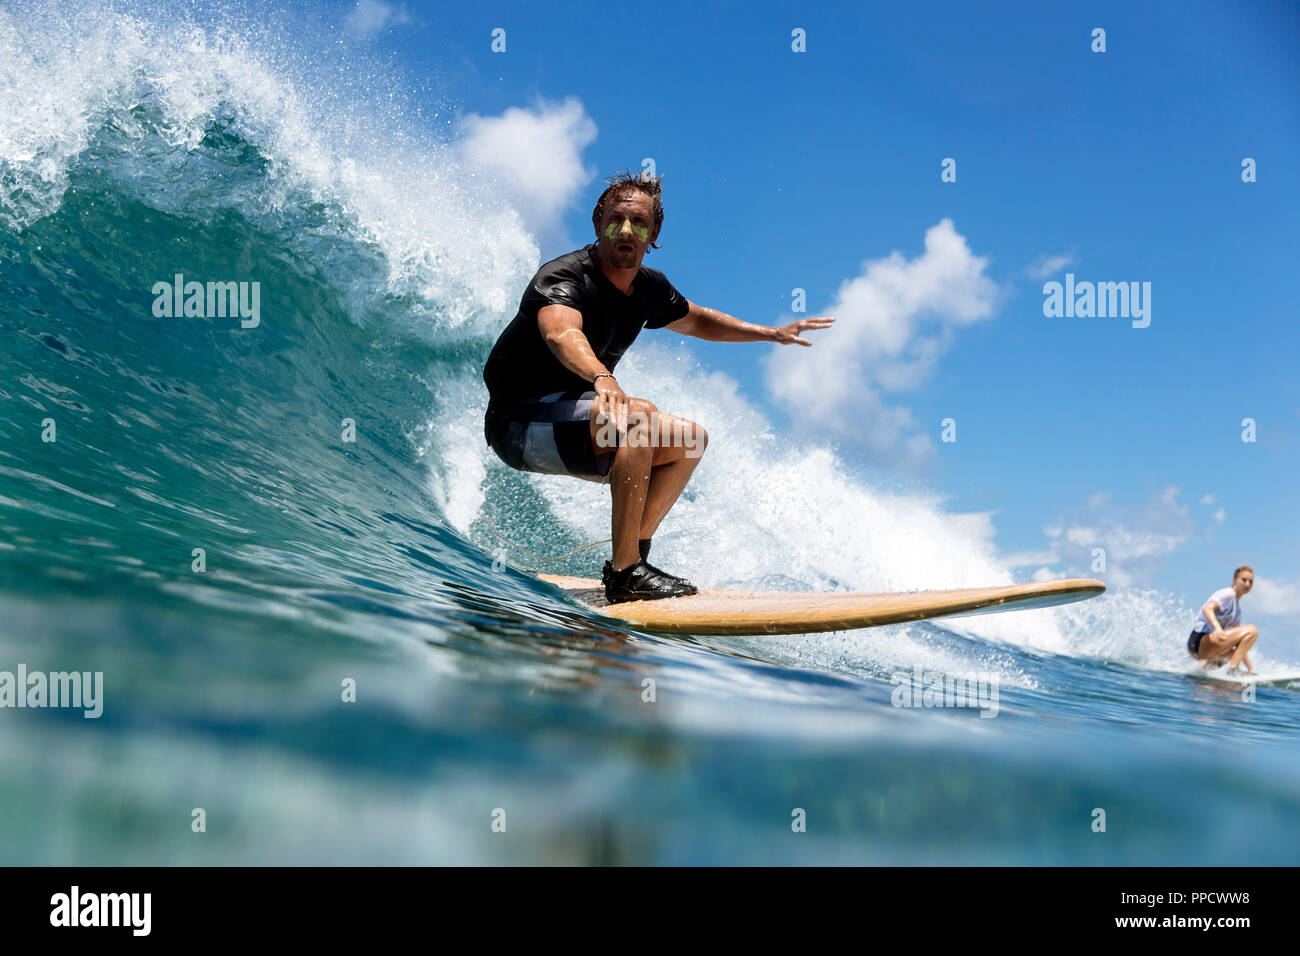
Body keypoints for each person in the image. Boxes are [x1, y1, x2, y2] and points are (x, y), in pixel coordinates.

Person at [483, 171, 834, 602]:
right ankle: (627, 571)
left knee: (690, 440)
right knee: (639, 418)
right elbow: (561, 332)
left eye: (638, 222)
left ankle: (632, 560)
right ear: (598, 225)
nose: (626, 230)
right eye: (615, 220)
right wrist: (602, 376)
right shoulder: (564, 276)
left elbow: (698, 319)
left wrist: (772, 333)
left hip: (572, 422)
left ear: (654, 233)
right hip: (520, 422)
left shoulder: (649, 289)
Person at [1187, 565, 1258, 673]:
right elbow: (1207, 609)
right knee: (1252, 630)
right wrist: (1218, 629)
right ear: (1235, 580)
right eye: (1244, 580)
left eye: (1250, 582)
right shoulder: (1228, 594)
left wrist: (1251, 669)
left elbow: (1241, 646)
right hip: (1199, 641)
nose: (1247, 584)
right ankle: (1233, 669)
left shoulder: (1237, 611)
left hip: (1203, 649)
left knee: (1235, 653)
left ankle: (1200, 672)